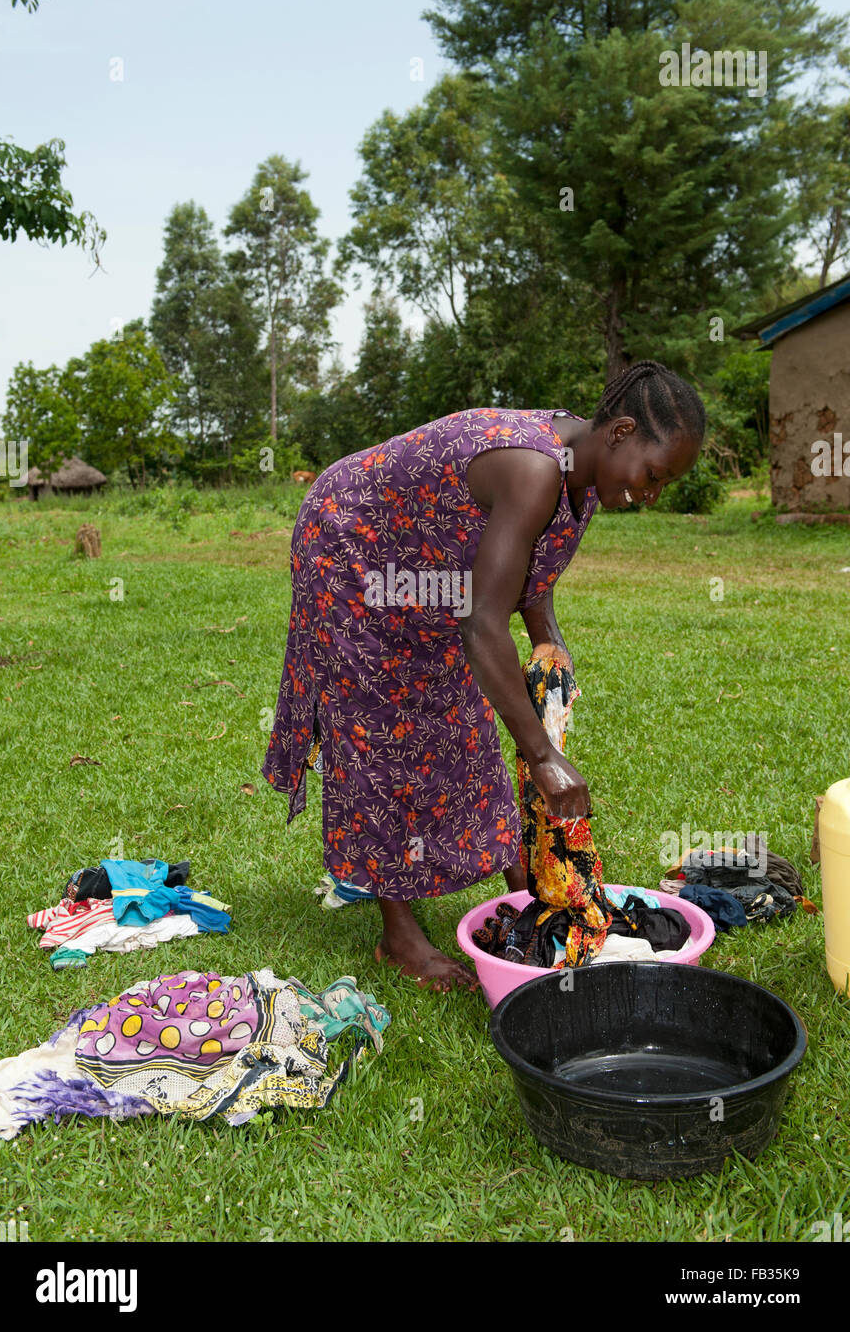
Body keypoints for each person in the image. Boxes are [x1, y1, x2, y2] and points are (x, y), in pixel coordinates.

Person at [263, 359, 705, 990]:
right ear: (621, 432)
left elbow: (525, 567)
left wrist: (548, 640)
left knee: (462, 715)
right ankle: (399, 933)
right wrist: (544, 754)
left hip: (433, 566)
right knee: (381, 728)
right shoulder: (534, 467)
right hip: (353, 545)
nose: (652, 493)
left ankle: (524, 886)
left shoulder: (582, 470)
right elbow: (481, 627)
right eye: (654, 474)